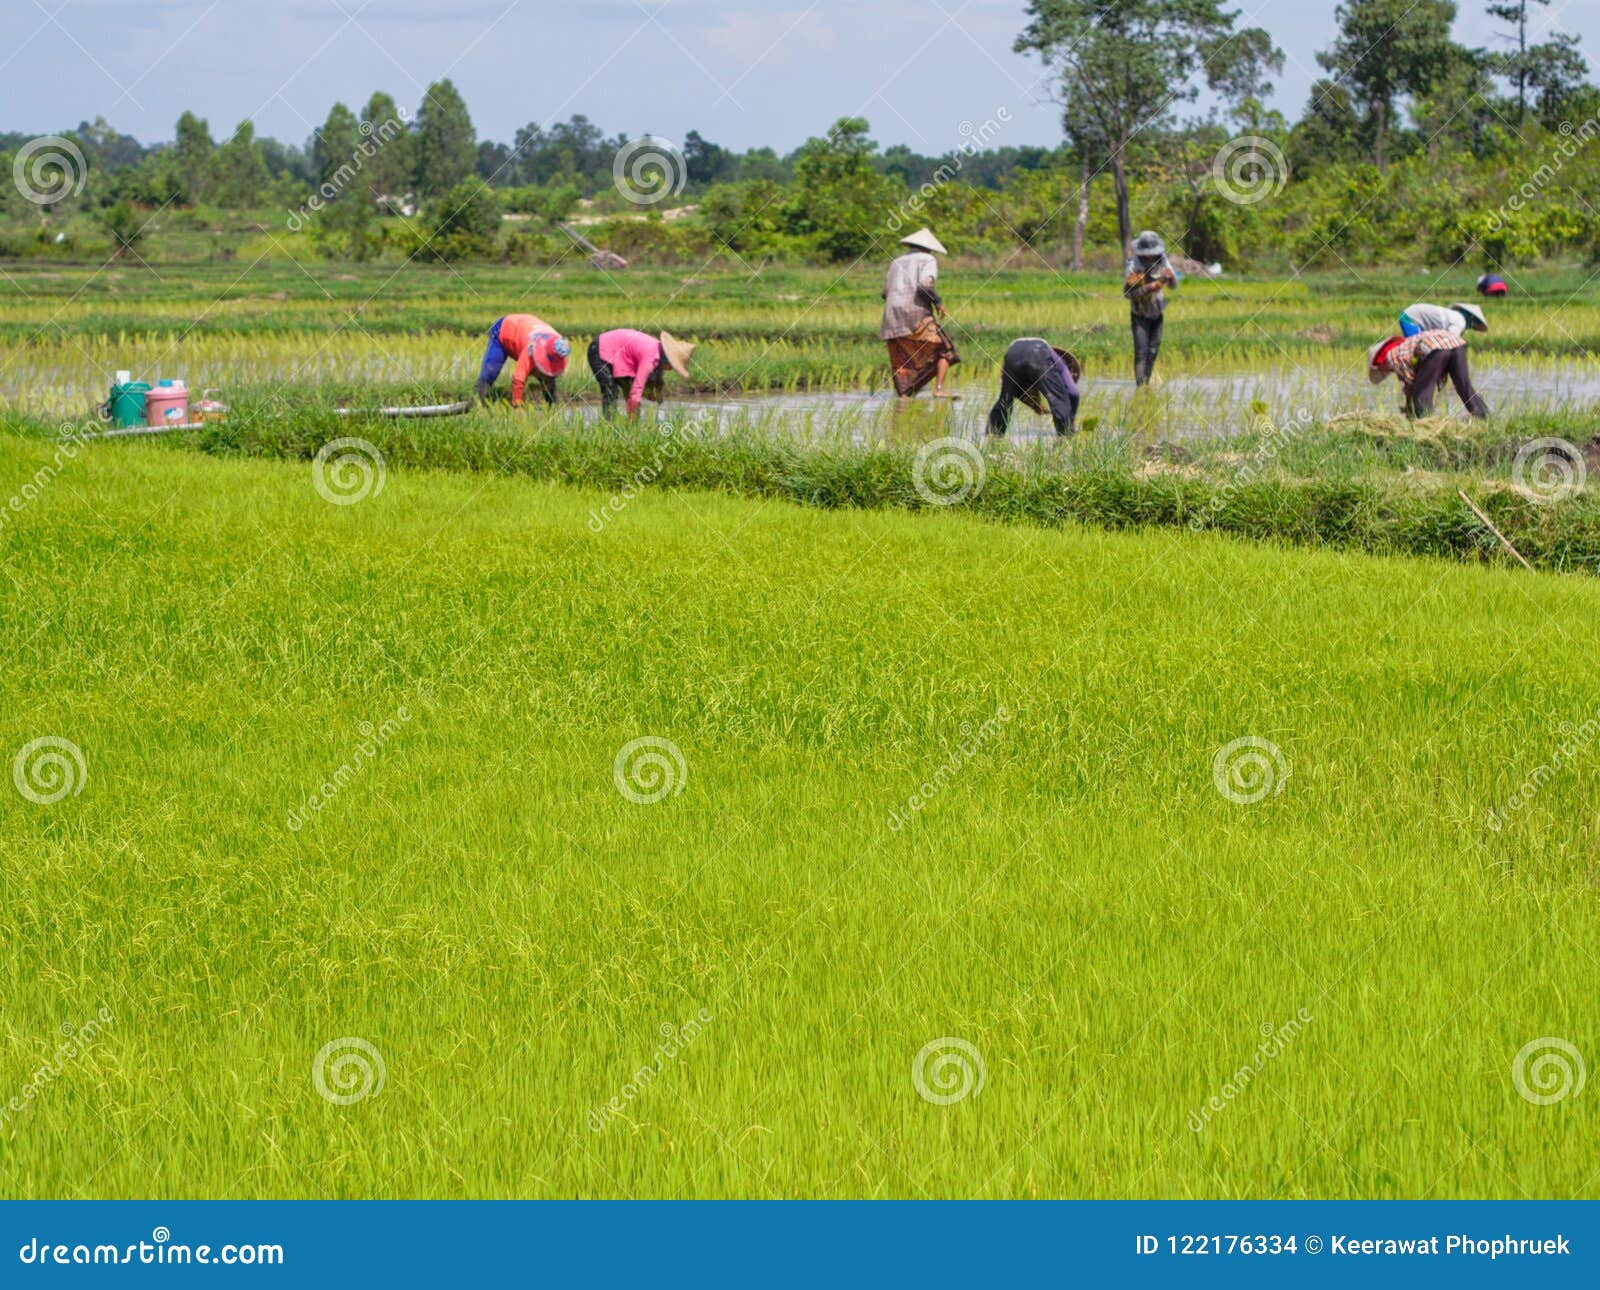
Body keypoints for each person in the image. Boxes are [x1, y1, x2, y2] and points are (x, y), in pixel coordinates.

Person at [881, 227, 959, 399]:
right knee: (945, 349)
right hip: (915, 312)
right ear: (928, 247)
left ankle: (904, 398)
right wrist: (938, 302)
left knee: (901, 358)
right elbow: (925, 285)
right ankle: (938, 389)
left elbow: (884, 292)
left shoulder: (896, 261)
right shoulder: (928, 259)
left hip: (891, 316)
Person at [1368, 330, 1488, 419]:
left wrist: (1410, 409)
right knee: (1465, 388)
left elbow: (1412, 383)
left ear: (1379, 364)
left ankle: (1425, 426)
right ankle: (1484, 419)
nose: (1387, 372)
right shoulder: (1407, 346)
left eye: (1382, 371)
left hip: (1435, 348)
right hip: (1456, 344)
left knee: (1421, 396)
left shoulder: (1391, 356)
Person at [588, 329, 696, 419]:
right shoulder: (651, 358)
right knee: (610, 389)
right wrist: (633, 418)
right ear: (667, 360)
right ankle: (609, 425)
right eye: (672, 366)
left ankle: (629, 422)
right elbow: (637, 389)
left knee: (627, 388)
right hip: (599, 348)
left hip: (616, 350)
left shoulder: (656, 350)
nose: (670, 369)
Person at [987, 338, 1080, 437]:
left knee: (1005, 399)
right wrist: (1071, 417)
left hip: (1012, 350)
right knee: (1058, 399)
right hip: (1039, 351)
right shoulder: (1061, 363)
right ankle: (1065, 438)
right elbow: (1073, 393)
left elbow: (1019, 391)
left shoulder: (1039, 361)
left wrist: (1036, 406)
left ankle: (993, 437)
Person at [476, 313, 570, 406]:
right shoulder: (531, 348)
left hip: (526, 325)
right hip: (505, 329)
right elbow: (518, 378)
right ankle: (477, 402)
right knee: (490, 371)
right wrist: (517, 405)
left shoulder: (560, 345)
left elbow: (550, 374)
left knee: (548, 380)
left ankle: (552, 407)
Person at [1124, 230, 1176, 387]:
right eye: (1147, 253)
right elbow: (1127, 294)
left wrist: (1171, 278)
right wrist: (1149, 287)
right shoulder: (1133, 265)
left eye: (1152, 253)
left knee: (1153, 350)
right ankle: (1140, 386)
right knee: (1141, 351)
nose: (1150, 256)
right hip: (1139, 314)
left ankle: (1145, 383)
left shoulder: (1163, 261)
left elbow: (1173, 286)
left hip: (1157, 312)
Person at [1397, 301, 1487, 339]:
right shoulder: (1460, 322)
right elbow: (1450, 341)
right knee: (1416, 350)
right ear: (1472, 319)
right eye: (1476, 325)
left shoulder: (1456, 317)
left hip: (1413, 314)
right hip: (1411, 318)